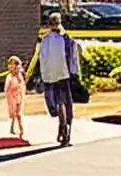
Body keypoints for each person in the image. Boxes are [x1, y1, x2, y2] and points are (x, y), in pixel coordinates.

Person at [38, 11, 81, 146]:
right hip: (64, 75)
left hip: (49, 77)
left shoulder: (44, 41)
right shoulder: (66, 39)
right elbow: (72, 58)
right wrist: (75, 74)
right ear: (60, 23)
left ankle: (62, 128)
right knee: (65, 104)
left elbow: (42, 60)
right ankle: (65, 129)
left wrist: (43, 76)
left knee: (56, 103)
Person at [5, 55, 26, 138]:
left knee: (18, 114)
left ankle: (21, 130)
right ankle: (14, 128)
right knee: (14, 113)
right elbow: (7, 88)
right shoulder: (9, 77)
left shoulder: (19, 76)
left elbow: (22, 85)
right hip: (12, 96)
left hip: (18, 96)